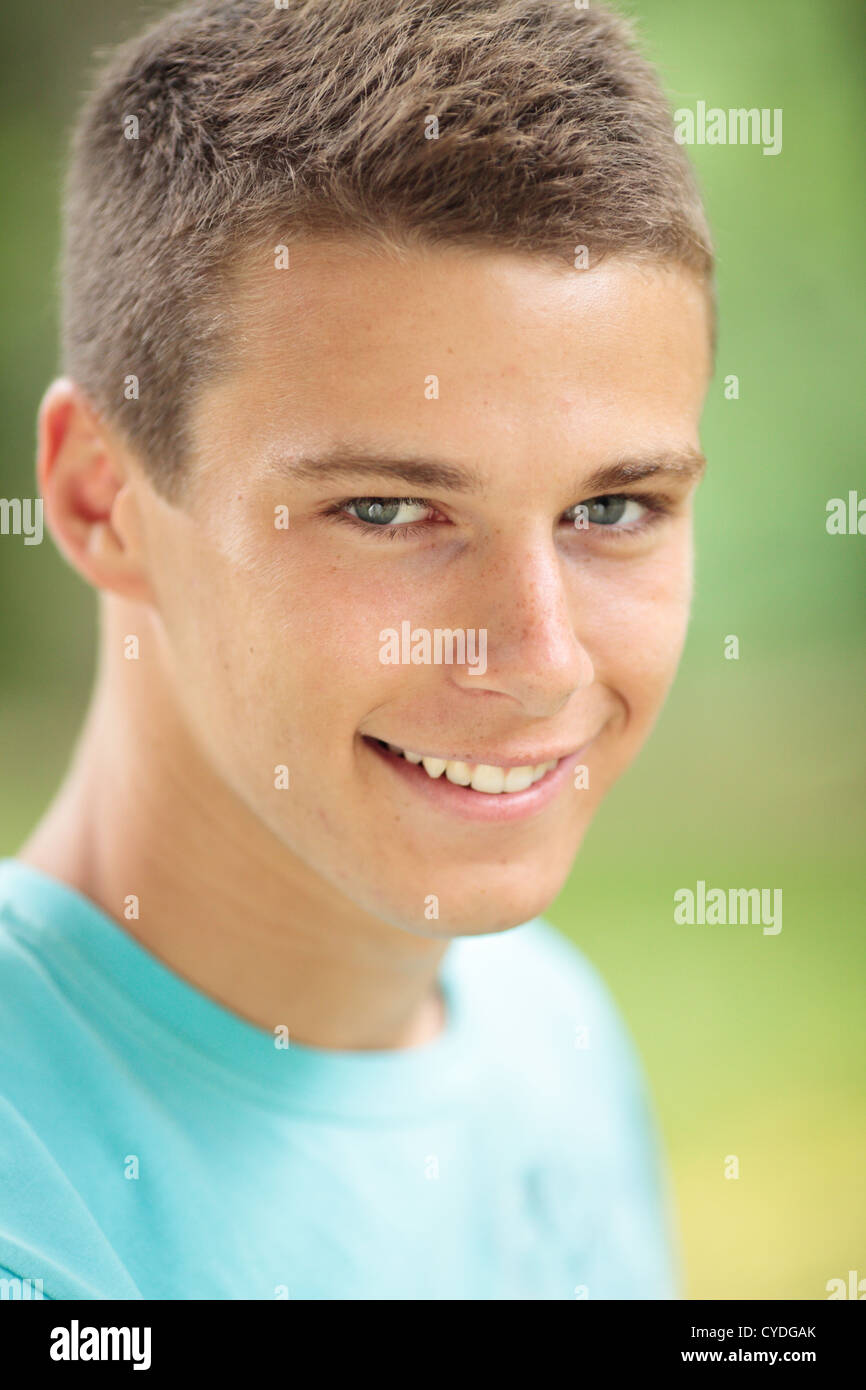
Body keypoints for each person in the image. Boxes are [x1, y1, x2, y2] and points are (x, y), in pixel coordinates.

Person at [0, 0, 713, 1300]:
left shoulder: (544, 1030)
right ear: (103, 498)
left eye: (610, 509)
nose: (541, 658)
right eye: (386, 511)